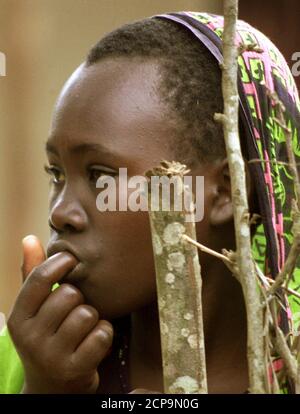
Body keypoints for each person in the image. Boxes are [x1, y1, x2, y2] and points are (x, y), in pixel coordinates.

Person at [0, 11, 300, 394]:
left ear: (226, 192)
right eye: (56, 174)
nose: (60, 212)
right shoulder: (23, 355)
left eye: (101, 177)